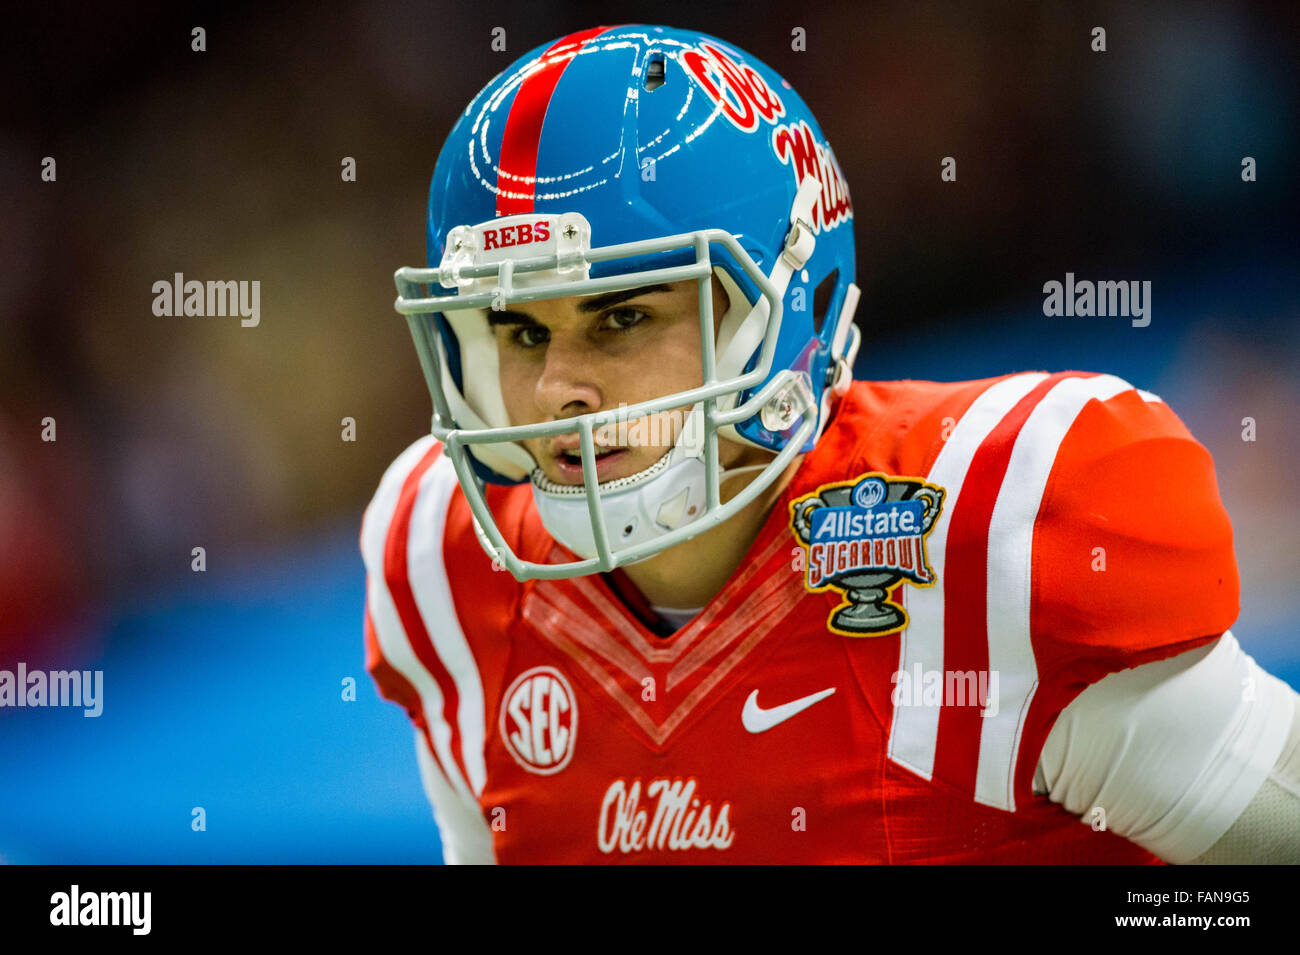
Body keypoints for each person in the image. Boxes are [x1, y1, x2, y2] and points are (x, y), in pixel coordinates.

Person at [361, 24, 1299, 863]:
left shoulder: (987, 534)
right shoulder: (442, 568)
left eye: (621, 316)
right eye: (521, 331)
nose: (557, 386)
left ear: (793, 308)